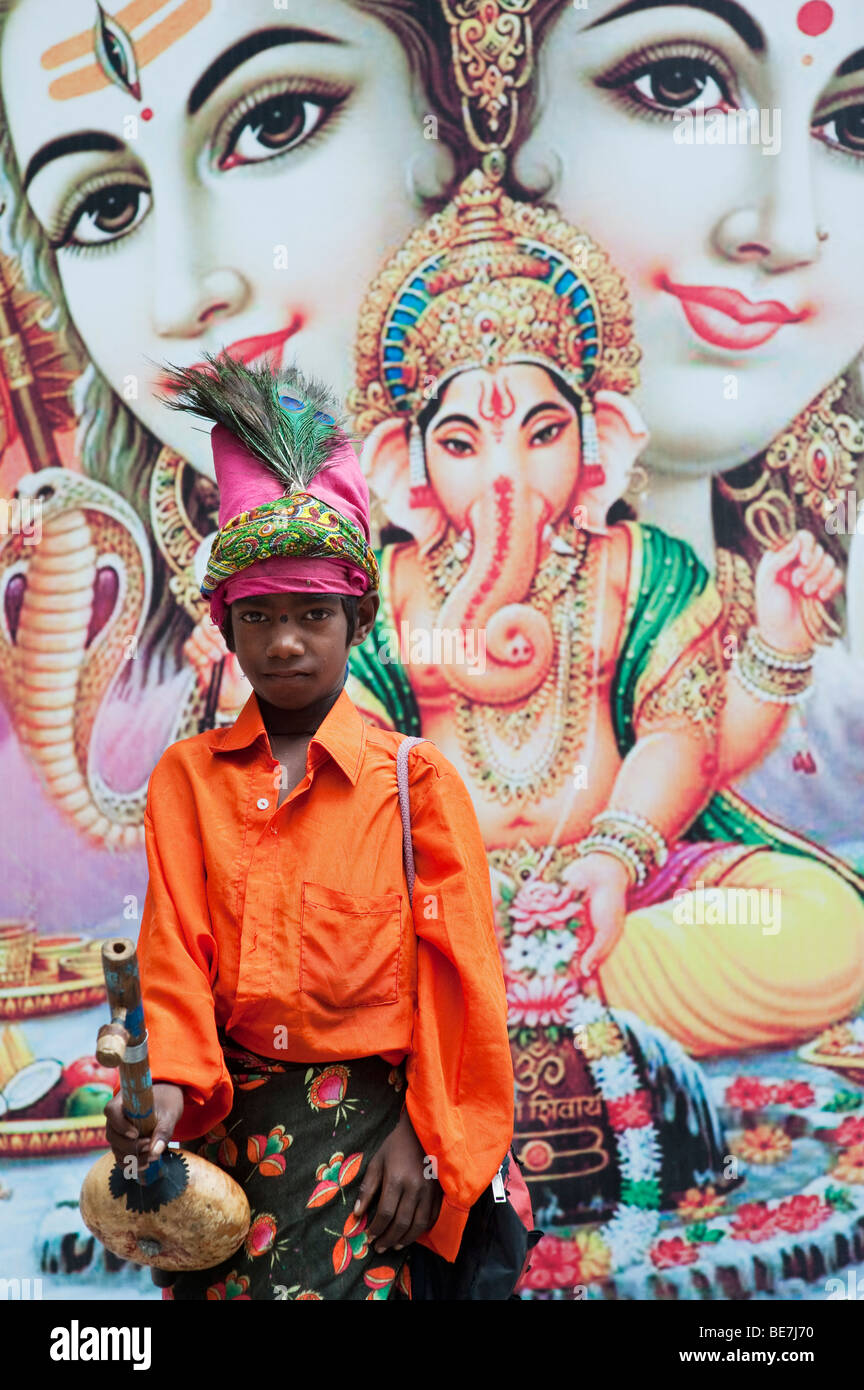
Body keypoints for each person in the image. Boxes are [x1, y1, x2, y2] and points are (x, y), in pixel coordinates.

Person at [103, 357, 514, 1300]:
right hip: (228, 1153)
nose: (285, 641)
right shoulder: (186, 781)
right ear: (227, 623)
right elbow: (172, 967)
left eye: (312, 614)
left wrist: (424, 1137)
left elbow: (463, 989)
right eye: (261, 616)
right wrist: (160, 1098)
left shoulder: (414, 783)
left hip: (380, 1157)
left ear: (356, 618)